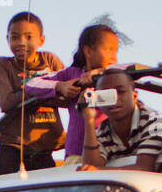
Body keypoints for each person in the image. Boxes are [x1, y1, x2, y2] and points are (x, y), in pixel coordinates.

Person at [24, 23, 121, 162]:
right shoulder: (72, 74)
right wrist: (60, 86)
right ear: (88, 51)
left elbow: (129, 69)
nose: (113, 57)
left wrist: (100, 73)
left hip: (110, 152)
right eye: (108, 50)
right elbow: (31, 84)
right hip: (77, 152)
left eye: (115, 51)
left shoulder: (116, 75)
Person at [0, 12, 65, 174]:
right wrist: (47, 90)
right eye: (15, 37)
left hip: (45, 147)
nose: (21, 43)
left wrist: (36, 93)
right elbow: (7, 102)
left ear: (41, 40)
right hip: (13, 146)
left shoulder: (49, 61)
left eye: (29, 37)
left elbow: (67, 94)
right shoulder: (3, 65)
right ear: (7, 39)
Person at [77, 69, 162, 171]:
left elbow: (144, 168)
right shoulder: (102, 130)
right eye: (106, 95)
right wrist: (89, 119)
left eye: (120, 92)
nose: (115, 99)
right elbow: (90, 168)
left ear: (134, 96)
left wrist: (99, 171)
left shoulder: (153, 121)